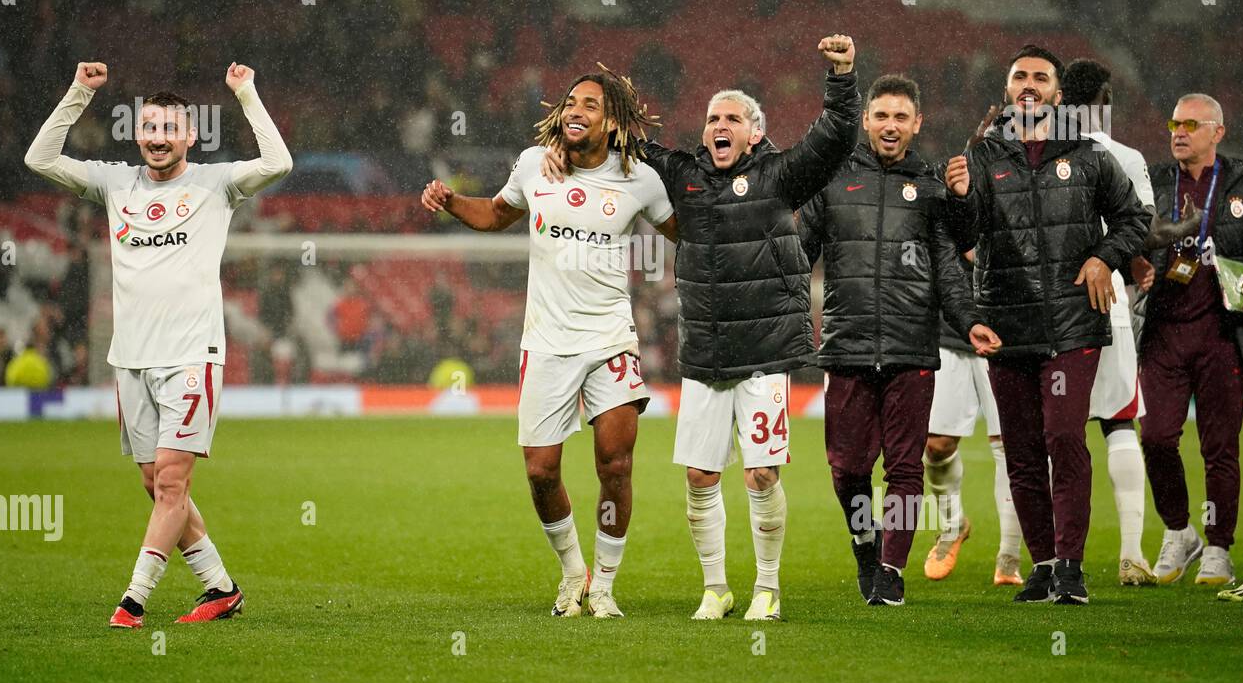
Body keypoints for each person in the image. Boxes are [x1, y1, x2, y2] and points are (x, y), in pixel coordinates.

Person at [543, 36, 863, 621]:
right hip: (707, 354)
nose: (719, 124)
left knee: (762, 473)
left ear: (754, 133)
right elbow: (629, 144)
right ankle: (716, 587)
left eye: (732, 118)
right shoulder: (683, 175)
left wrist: (841, 75)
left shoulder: (779, 175)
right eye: (713, 117)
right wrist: (589, 117)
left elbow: (836, 136)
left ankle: (767, 585)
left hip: (765, 353)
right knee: (699, 475)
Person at [25, 61, 293, 627]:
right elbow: (40, 159)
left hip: (193, 355)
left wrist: (246, 93)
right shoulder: (115, 183)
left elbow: (279, 162)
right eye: (149, 128)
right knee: (155, 483)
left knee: (172, 480)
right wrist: (77, 93)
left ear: (189, 136)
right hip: (131, 359)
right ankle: (220, 588)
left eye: (169, 129)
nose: (157, 138)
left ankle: (133, 600)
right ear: (137, 132)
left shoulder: (215, 185)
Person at [421, 67, 676, 619]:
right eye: (570, 103)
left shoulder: (641, 178)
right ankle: (572, 572)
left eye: (590, 104)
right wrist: (450, 201)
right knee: (540, 470)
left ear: (612, 121)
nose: (575, 111)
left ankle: (604, 585)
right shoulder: (536, 164)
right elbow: (494, 214)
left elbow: (689, 233)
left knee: (616, 464)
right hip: (546, 342)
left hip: (610, 339)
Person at [944, 45, 1149, 605]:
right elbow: (963, 238)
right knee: (1023, 448)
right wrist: (959, 198)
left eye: (1040, 77)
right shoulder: (982, 155)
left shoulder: (1086, 154)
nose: (1029, 85)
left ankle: (1073, 566)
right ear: (1008, 90)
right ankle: (1044, 564)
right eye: (1019, 77)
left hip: (1070, 324)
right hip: (1007, 324)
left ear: (1058, 94)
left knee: (1063, 436)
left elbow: (1135, 218)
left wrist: (1103, 257)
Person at [800, 73, 1000, 606]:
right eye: (881, 115)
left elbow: (948, 266)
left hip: (913, 348)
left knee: (906, 468)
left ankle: (891, 568)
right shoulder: (832, 179)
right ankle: (865, 542)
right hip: (847, 344)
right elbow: (798, 253)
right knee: (848, 469)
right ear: (866, 121)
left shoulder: (932, 186)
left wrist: (968, 320)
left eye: (901, 117)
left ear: (917, 124)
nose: (891, 126)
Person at [1131, 93, 1243, 586]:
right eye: (1173, 122)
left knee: (1219, 448)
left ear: (1217, 132)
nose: (1178, 132)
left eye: (1190, 123)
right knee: (1158, 437)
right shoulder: (1154, 182)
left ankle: (1219, 548)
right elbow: (1126, 237)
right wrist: (1138, 258)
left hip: (1222, 336)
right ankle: (1179, 531)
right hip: (1163, 333)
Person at [1059, 59, 1158, 585]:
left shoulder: (1042, 153)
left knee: (1059, 431)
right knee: (1119, 421)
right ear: (1104, 98)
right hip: (1108, 300)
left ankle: (1054, 558)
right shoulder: (1125, 156)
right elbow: (1140, 228)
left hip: (1052, 305)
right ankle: (1131, 553)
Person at [922, 251, 1020, 586]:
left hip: (1008, 325)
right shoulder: (943, 196)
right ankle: (953, 526)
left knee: (1009, 444)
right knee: (936, 445)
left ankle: (1009, 555)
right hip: (951, 327)